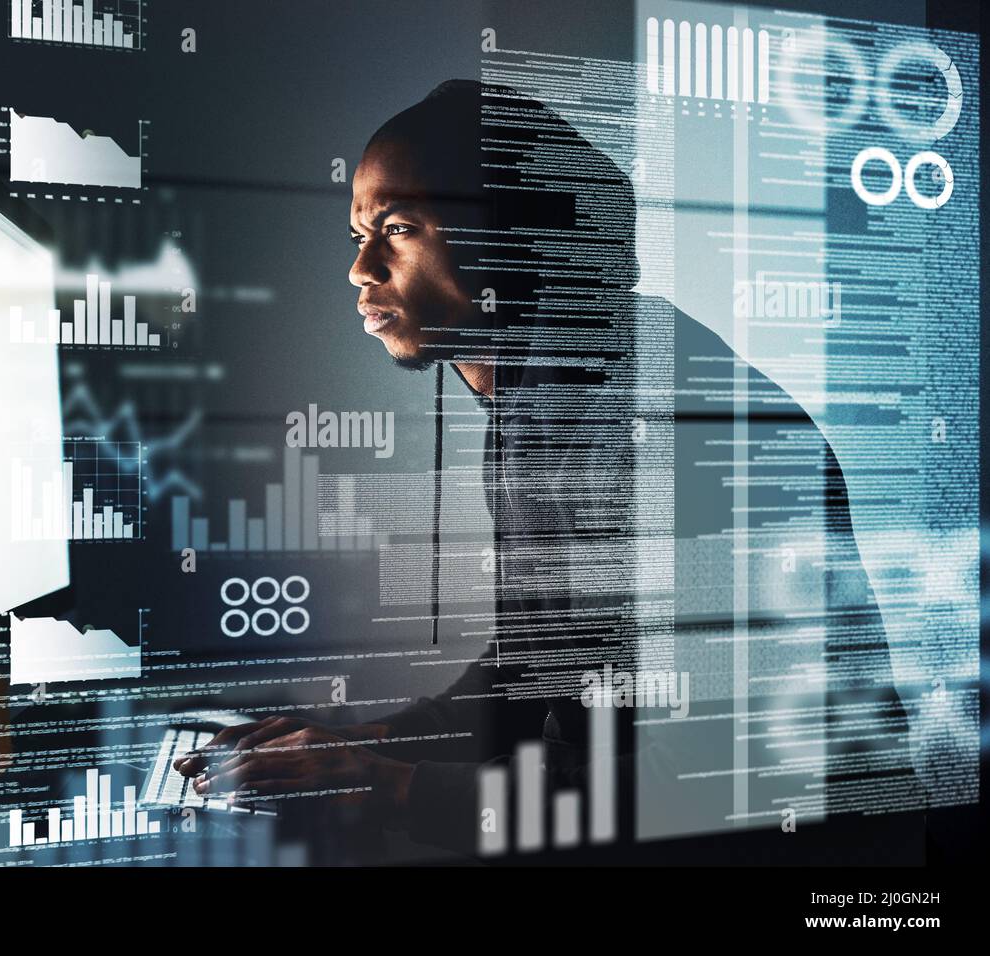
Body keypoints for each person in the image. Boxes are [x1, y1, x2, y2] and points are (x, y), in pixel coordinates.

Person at [174, 80, 926, 861]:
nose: (360, 268)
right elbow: (540, 666)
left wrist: (385, 782)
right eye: (360, 233)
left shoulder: (679, 423)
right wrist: (362, 741)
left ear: (521, 235)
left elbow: (722, 778)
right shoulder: (543, 392)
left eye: (397, 228)